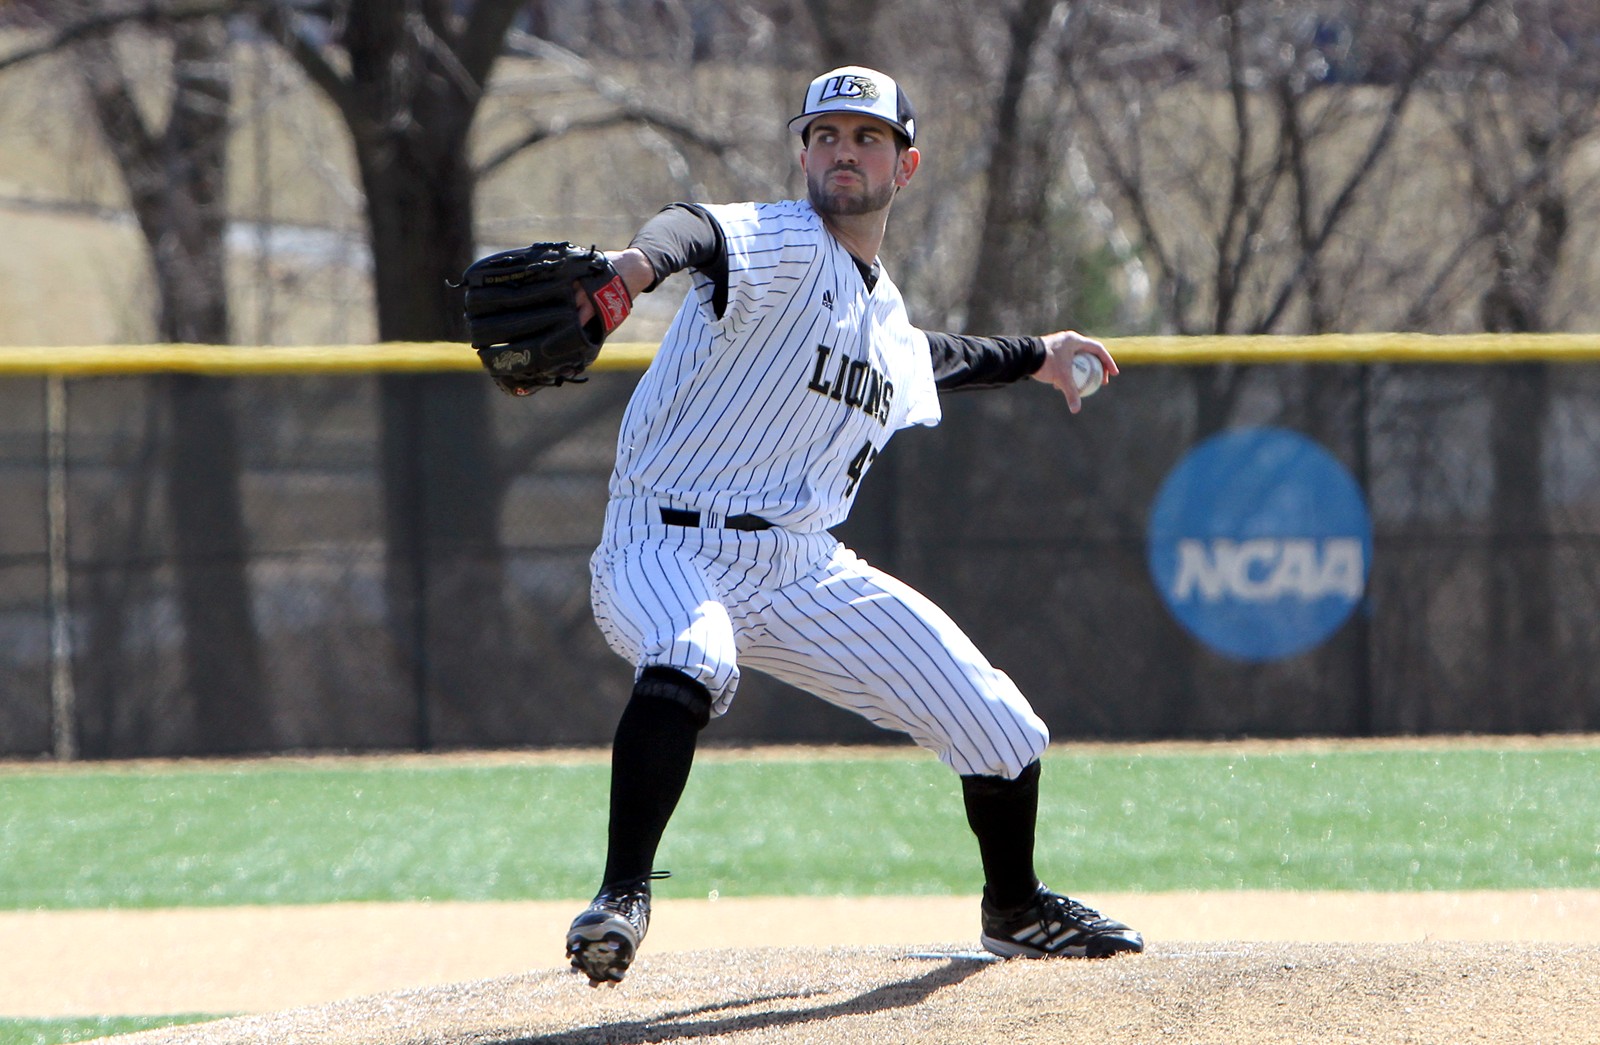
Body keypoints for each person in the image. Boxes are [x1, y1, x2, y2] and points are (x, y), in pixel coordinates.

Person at [563, 65, 1141, 986]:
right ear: (804, 153)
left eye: (866, 138)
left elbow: (929, 358)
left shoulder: (881, 310)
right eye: (825, 135)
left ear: (904, 166)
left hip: (797, 564)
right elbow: (699, 230)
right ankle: (622, 895)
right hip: (664, 540)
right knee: (693, 653)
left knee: (1001, 724)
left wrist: (1039, 354)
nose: (842, 151)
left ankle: (1016, 908)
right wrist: (635, 268)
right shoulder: (786, 241)